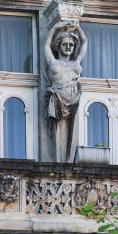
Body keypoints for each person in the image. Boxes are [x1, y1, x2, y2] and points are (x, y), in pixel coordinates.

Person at [44, 20, 88, 162]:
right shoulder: (53, 62)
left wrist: (78, 28)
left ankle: (68, 160)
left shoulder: (76, 63)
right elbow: (46, 45)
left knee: (71, 133)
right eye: (65, 44)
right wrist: (55, 28)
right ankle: (59, 161)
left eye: (71, 44)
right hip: (58, 97)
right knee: (58, 133)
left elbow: (85, 43)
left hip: (73, 98)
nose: (69, 47)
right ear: (58, 46)